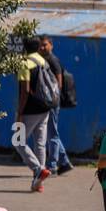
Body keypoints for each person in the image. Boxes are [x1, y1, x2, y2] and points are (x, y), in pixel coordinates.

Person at [14, 37, 55, 192]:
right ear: (38, 48)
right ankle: (38, 182)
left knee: (17, 141)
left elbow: (25, 91)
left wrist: (20, 112)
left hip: (29, 109)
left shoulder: (24, 63)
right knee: (40, 143)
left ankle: (38, 169)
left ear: (25, 48)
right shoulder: (43, 62)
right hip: (45, 108)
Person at [36, 36, 75, 177]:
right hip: (50, 101)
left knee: (52, 134)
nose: (42, 48)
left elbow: (58, 84)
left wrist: (52, 100)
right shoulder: (46, 60)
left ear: (51, 45)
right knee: (53, 133)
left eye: (45, 45)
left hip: (52, 102)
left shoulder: (52, 60)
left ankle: (53, 165)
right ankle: (64, 162)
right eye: (40, 45)